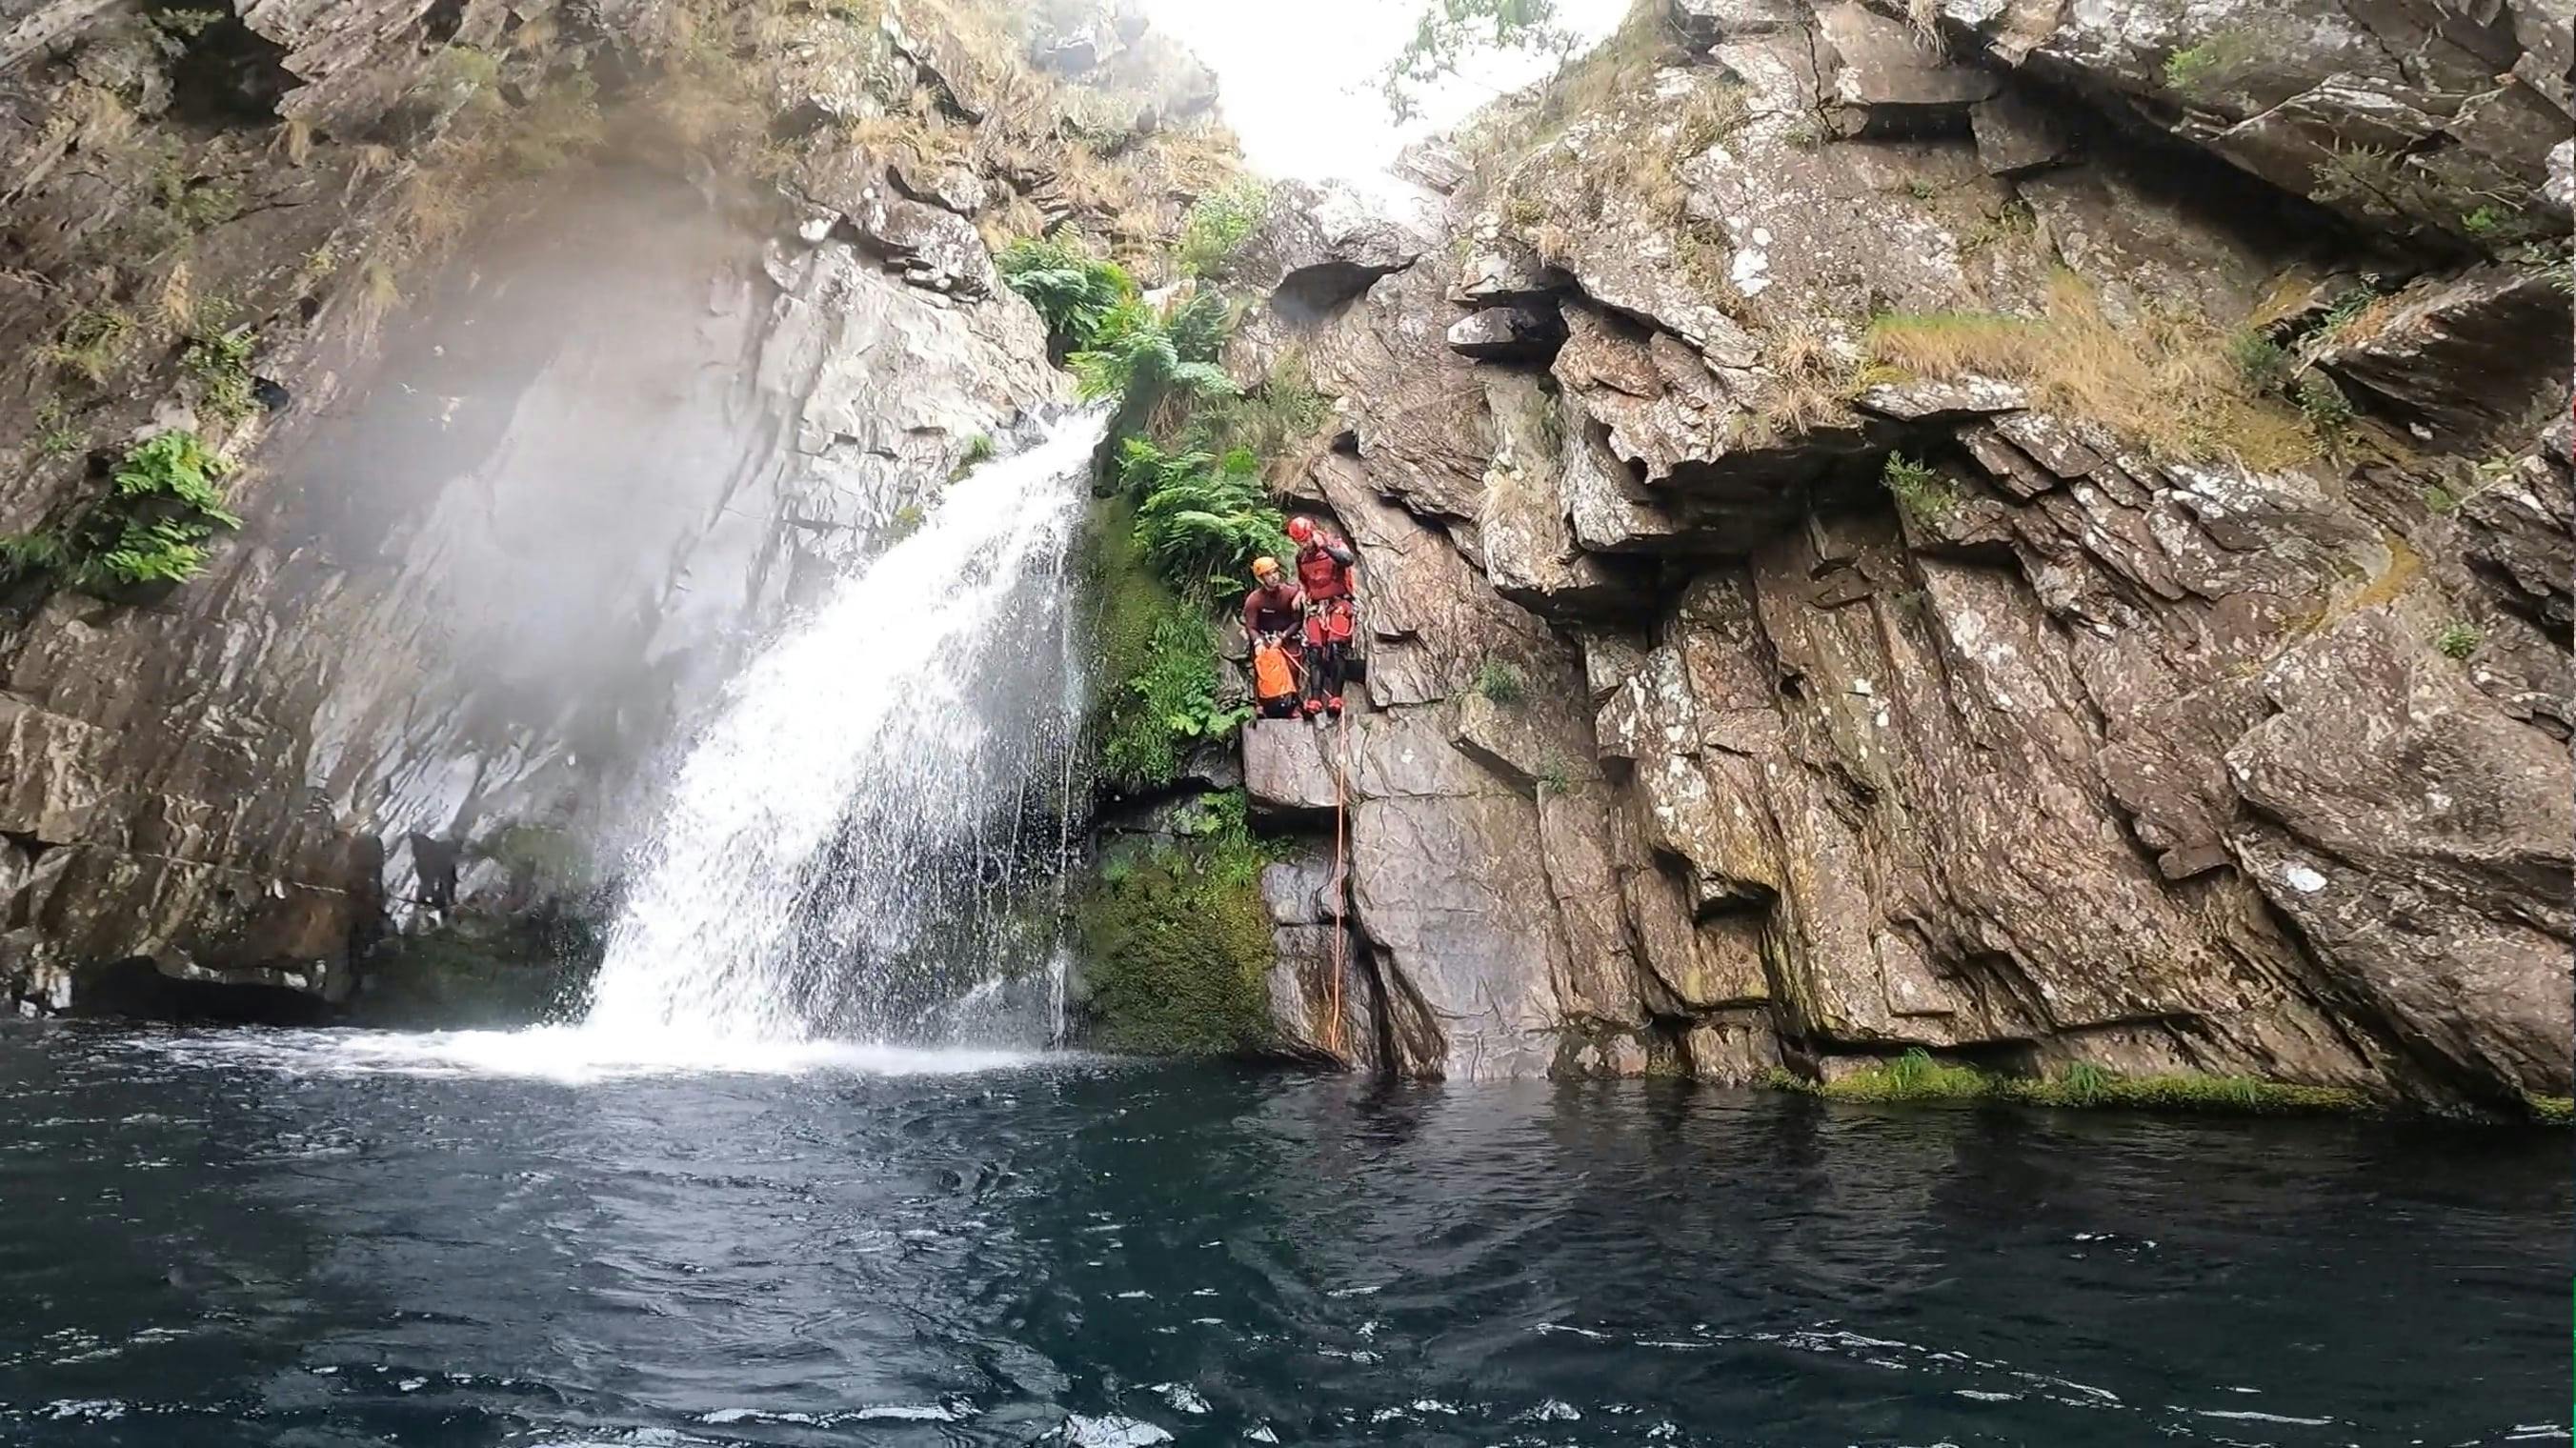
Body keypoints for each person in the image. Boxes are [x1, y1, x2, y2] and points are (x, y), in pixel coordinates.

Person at [1287, 515, 1358, 719]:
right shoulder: (1302, 557)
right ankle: (1315, 698)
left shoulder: (1334, 544)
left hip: (1339, 604)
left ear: (1312, 532)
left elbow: (1348, 560)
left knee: (1337, 648)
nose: (1304, 544)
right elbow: (1304, 581)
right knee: (1314, 651)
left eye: (1306, 539)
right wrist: (1301, 593)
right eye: (1300, 542)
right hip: (1316, 607)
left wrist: (1325, 548)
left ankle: (1336, 697)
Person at [1240, 557, 1305, 720]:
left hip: (1287, 635)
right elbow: (1251, 627)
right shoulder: (1254, 600)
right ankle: (1260, 704)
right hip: (1265, 636)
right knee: (1261, 663)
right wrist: (1258, 642)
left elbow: (1298, 621)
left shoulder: (1289, 593)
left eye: (1275, 572)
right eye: (1268, 574)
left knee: (1292, 666)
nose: (1274, 577)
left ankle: (1293, 705)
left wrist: (1283, 637)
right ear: (1261, 578)